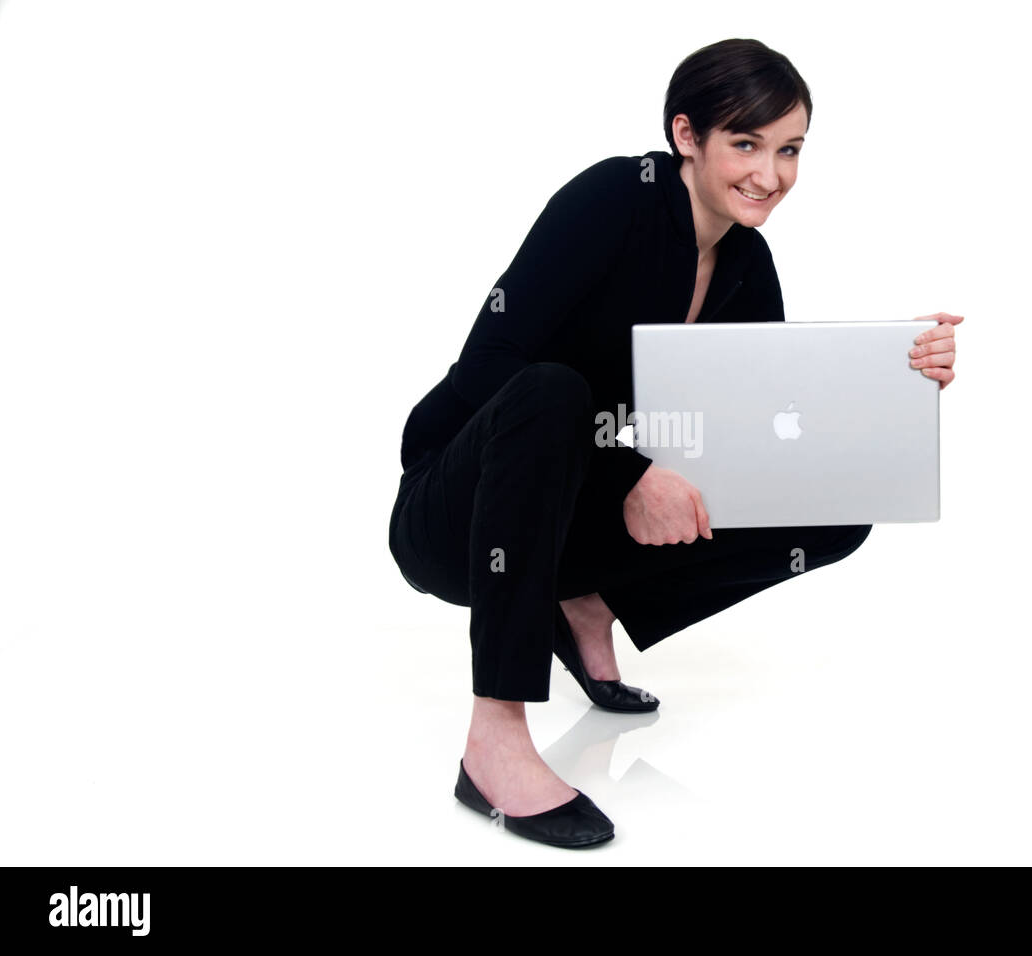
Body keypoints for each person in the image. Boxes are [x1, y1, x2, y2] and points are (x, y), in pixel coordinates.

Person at [387, 38, 962, 849]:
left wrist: (902, 382)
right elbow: (492, 368)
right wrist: (628, 471)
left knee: (831, 510)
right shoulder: (616, 197)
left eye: (790, 149)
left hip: (558, 518)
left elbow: (762, 435)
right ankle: (494, 739)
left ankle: (588, 601)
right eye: (747, 144)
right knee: (552, 388)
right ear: (686, 136)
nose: (772, 174)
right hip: (456, 513)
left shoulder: (746, 264)